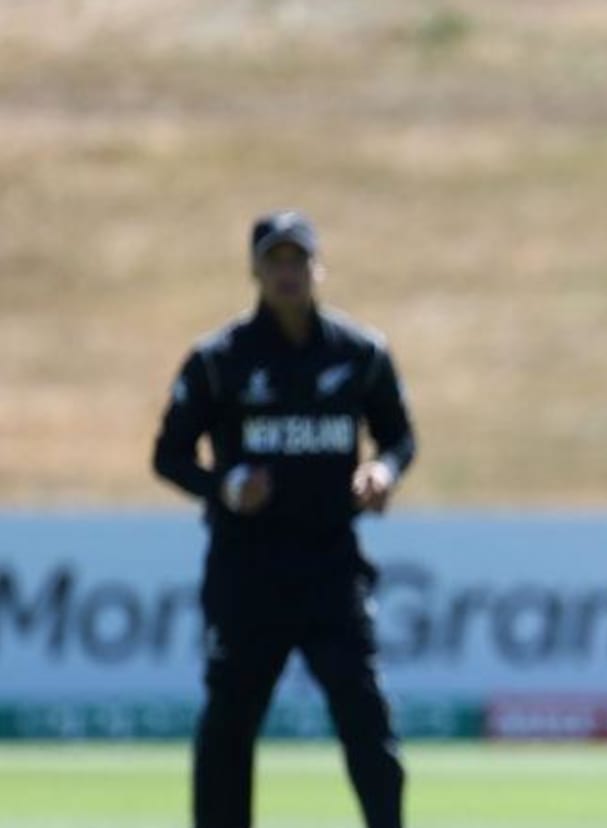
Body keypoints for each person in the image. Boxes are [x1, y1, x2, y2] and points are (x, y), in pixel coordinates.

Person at [152, 209, 416, 828]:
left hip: (332, 568)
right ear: (255, 271)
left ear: (317, 267)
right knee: (229, 726)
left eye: (298, 260)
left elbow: (400, 437)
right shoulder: (220, 361)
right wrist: (226, 486)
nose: (288, 273)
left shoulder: (360, 354)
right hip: (248, 573)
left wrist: (383, 472)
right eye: (276, 261)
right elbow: (168, 455)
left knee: (366, 719)